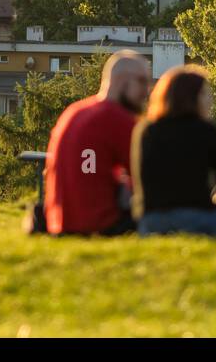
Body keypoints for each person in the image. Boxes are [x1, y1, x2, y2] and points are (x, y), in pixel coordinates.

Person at [132, 65, 216, 236]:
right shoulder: (206, 130)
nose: (210, 100)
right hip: (194, 217)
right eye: (206, 93)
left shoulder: (146, 130)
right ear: (195, 97)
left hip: (151, 221)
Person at [43, 50, 151, 236]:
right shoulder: (117, 118)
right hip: (100, 224)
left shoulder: (74, 111)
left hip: (58, 223)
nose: (147, 91)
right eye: (142, 81)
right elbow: (148, 175)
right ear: (121, 81)